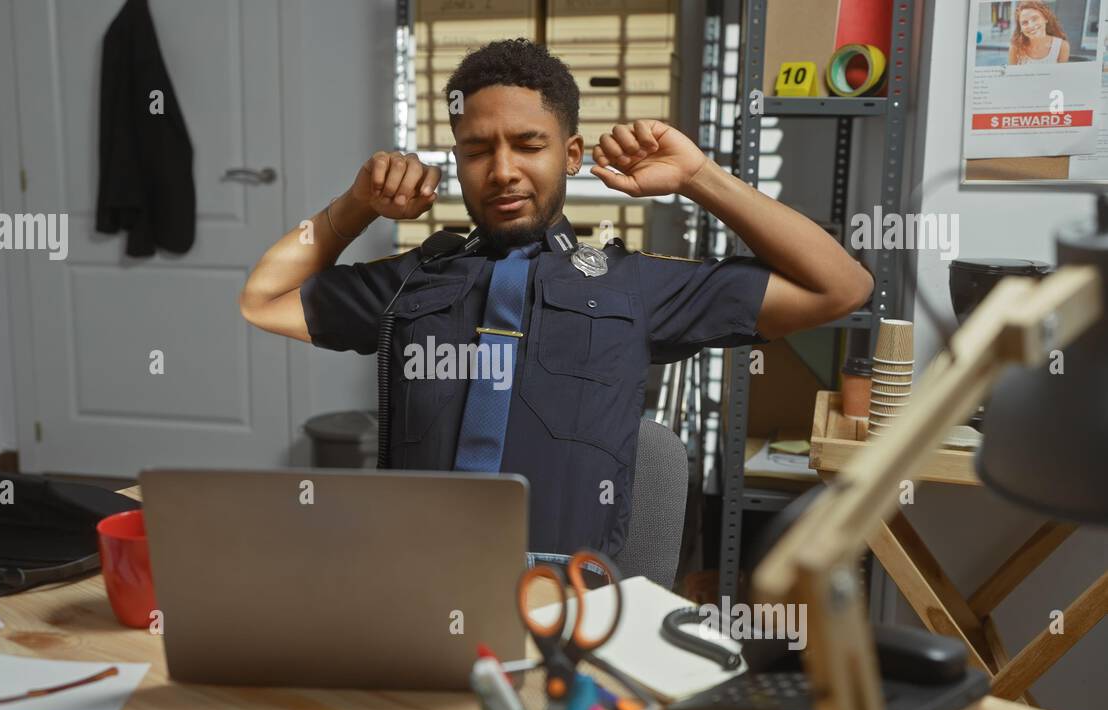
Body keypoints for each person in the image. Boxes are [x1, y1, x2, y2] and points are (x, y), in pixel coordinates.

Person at [240, 39, 872, 562]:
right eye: (477, 150)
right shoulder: (415, 279)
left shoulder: (635, 284)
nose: (504, 170)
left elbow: (840, 286)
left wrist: (698, 178)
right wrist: (355, 206)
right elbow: (265, 299)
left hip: (567, 608)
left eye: (529, 144)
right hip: (415, 582)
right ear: (457, 162)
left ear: (571, 155)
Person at [1009, 1, 1070, 65]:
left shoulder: (1062, 46)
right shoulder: (1015, 48)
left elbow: (1061, 74)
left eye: (1035, 18)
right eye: (1024, 22)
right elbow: (1012, 74)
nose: (1031, 25)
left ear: (1046, 18)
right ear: (1020, 28)